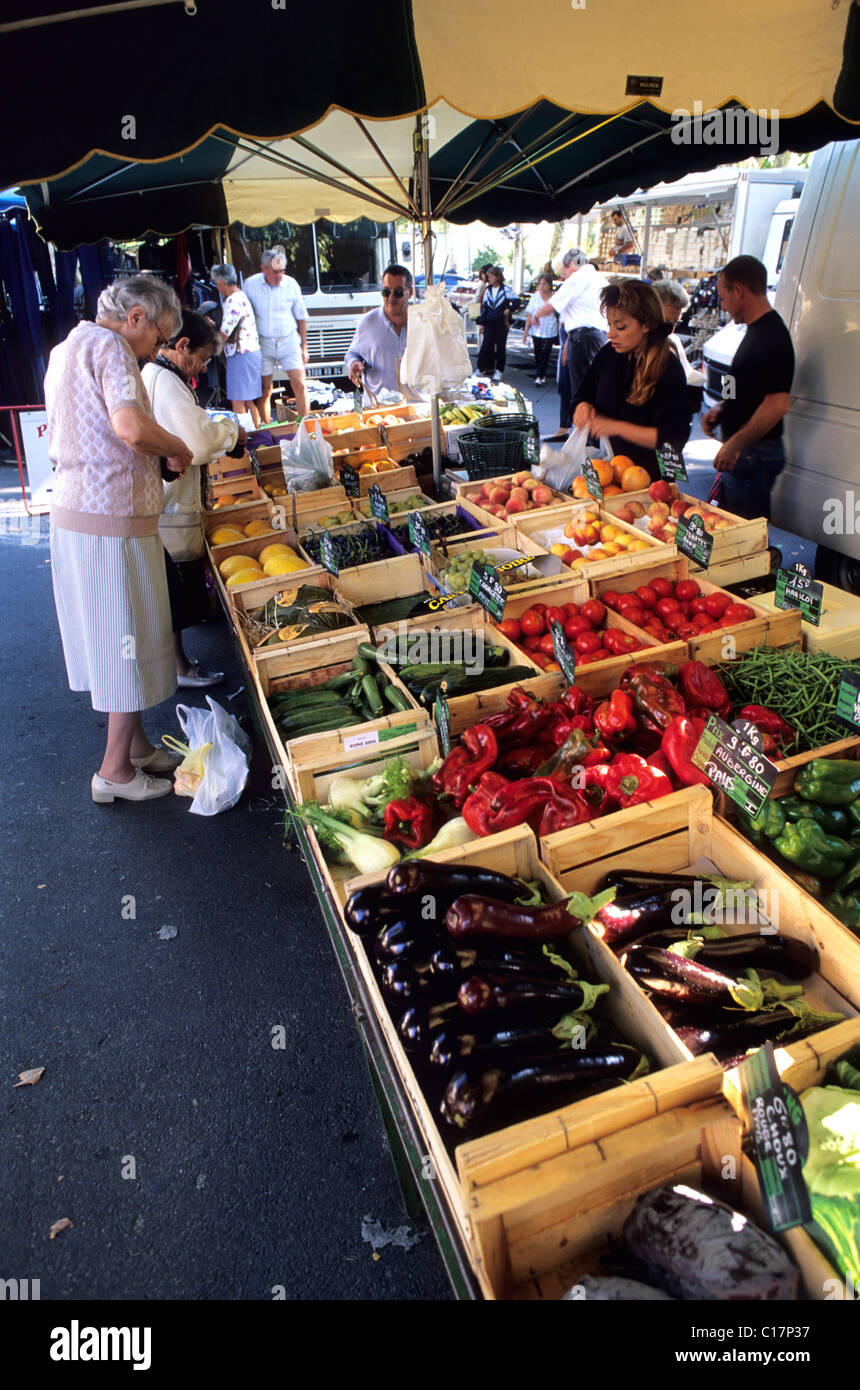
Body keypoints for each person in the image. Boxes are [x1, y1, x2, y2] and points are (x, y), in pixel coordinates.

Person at [45, 275, 194, 804]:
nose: (157, 349)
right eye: (158, 336)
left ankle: (135, 749)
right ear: (136, 318)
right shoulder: (110, 348)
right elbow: (129, 426)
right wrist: (175, 446)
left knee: (116, 635)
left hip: (78, 514)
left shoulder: (68, 346)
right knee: (125, 640)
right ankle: (115, 772)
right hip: (109, 520)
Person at [141, 310, 247, 688]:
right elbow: (197, 442)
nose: (201, 368)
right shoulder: (164, 381)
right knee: (174, 591)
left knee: (171, 588)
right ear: (182, 345)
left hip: (166, 501)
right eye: (200, 358)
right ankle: (179, 669)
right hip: (170, 505)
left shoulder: (157, 374)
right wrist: (232, 437)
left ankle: (176, 664)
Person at [572, 279, 693, 483]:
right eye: (610, 324)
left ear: (646, 324)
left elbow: (672, 439)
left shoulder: (668, 370)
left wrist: (615, 427)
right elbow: (583, 394)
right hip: (606, 474)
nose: (611, 334)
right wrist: (582, 407)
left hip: (648, 483)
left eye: (620, 326)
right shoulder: (609, 354)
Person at [702, 254, 794, 520]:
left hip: (755, 455)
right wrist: (721, 408)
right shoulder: (753, 331)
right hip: (747, 453)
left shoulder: (772, 337)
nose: (723, 305)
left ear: (739, 291)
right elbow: (742, 382)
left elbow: (777, 404)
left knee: (744, 538)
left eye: (723, 297)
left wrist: (734, 444)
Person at [533, 248, 609, 438]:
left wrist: (536, 315)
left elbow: (553, 305)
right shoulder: (600, 279)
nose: (564, 277)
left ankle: (587, 439)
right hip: (598, 338)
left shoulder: (578, 278)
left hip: (583, 340)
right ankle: (589, 437)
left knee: (583, 393)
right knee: (594, 389)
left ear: (572, 265)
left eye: (564, 272)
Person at [243, 246, 310, 422]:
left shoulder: (291, 284)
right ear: (264, 269)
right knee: (265, 390)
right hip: (264, 342)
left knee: (300, 385)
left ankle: (303, 426)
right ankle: (267, 427)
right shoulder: (250, 285)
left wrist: (304, 347)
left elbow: (301, 317)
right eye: (275, 272)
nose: (279, 276)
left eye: (282, 271)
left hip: (288, 340)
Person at [344, 264, 414, 400]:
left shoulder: (422, 323)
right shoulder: (367, 323)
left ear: (410, 293)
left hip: (417, 407)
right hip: (378, 409)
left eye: (398, 292)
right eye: (386, 292)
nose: (391, 298)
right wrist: (354, 364)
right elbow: (352, 353)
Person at [210, 263, 262, 426]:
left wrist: (208, 348)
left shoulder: (232, 301)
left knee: (238, 402)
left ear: (222, 282)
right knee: (248, 402)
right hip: (250, 352)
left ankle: (246, 438)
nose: (217, 288)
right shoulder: (241, 296)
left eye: (216, 283)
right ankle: (256, 433)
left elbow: (224, 334)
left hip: (241, 355)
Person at [476, 266, 512, 382]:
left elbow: (517, 301)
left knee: (501, 347)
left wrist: (508, 310)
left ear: (497, 277)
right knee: (486, 346)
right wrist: (481, 323)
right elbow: (484, 308)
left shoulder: (506, 289)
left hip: (501, 322)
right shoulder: (488, 290)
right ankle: (480, 368)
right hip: (490, 322)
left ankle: (499, 370)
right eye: (488, 276)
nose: (489, 278)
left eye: (491, 276)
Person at [522, 273, 557, 385]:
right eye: (540, 284)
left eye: (544, 284)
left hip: (549, 328)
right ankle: (541, 373)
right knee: (538, 353)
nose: (541, 286)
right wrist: (526, 331)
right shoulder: (535, 296)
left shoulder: (555, 297)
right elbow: (529, 314)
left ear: (549, 285)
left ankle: (539, 375)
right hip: (536, 329)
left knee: (546, 353)